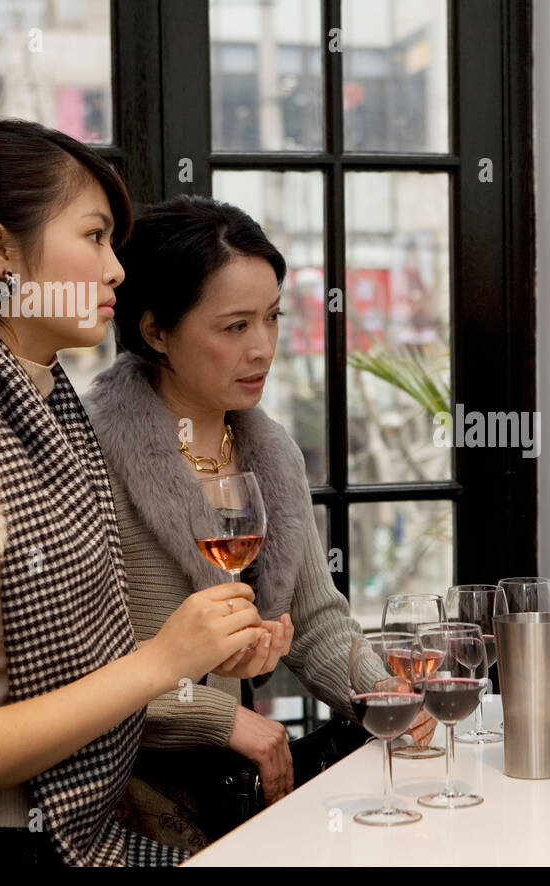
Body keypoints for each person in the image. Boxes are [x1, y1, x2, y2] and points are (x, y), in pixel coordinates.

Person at [0, 120, 277, 867]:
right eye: (95, 237)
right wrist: (161, 662)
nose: (116, 270)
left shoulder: (47, 418)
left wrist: (197, 655)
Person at [84, 195, 434, 849]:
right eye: (234, 327)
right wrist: (224, 719)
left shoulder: (269, 452)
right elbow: (75, 668)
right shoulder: (90, 455)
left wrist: (384, 691)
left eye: (272, 318)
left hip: (234, 794)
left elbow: (318, 623)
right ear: (156, 330)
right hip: (119, 802)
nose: (264, 348)